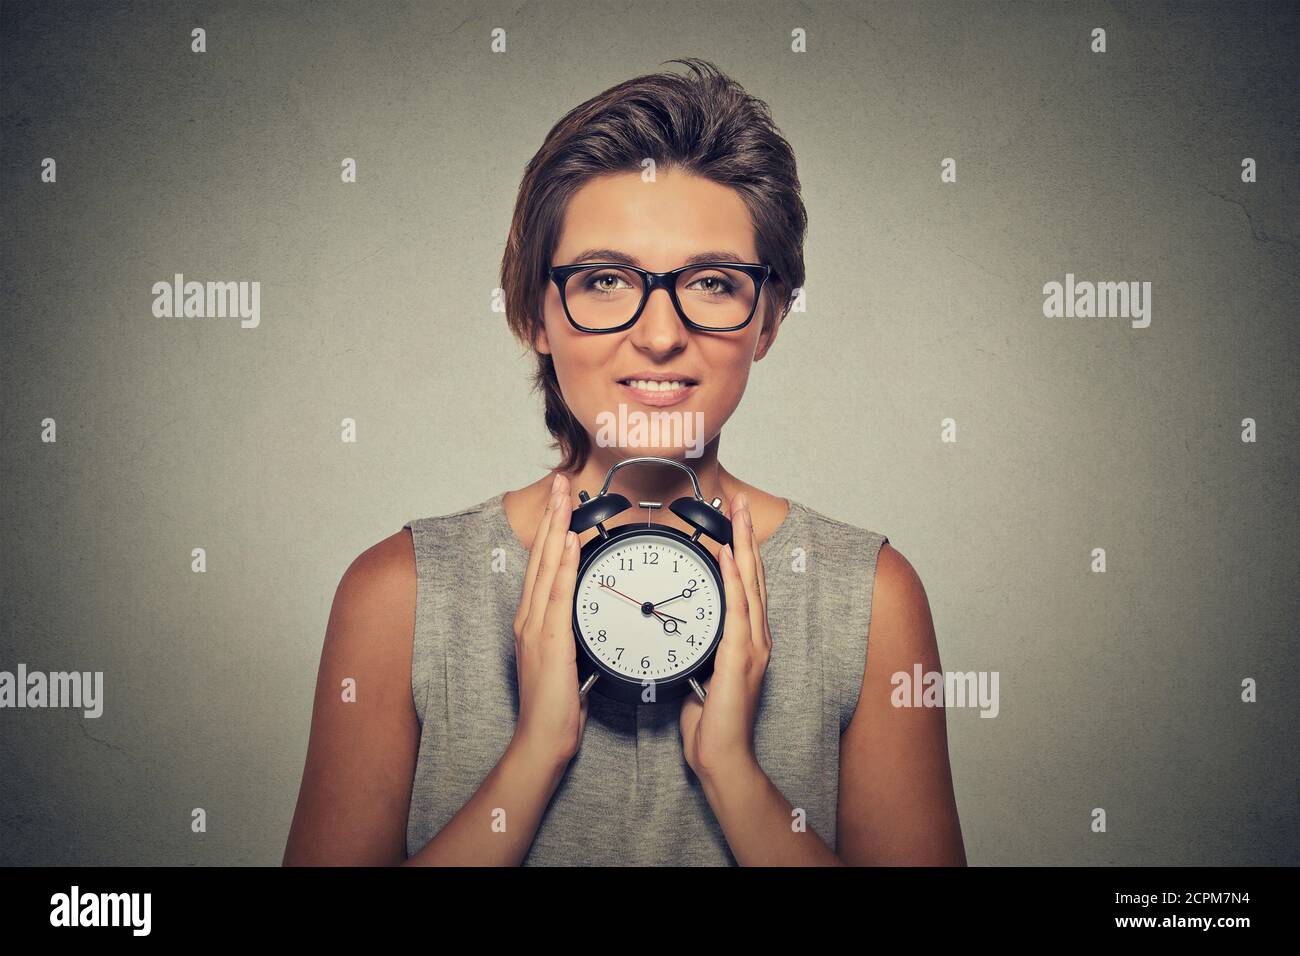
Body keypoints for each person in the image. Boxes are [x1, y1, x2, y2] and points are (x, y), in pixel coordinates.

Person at [283, 58, 965, 866]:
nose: (660, 333)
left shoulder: (868, 600)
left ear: (769, 319)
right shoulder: (398, 597)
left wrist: (734, 774)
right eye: (606, 280)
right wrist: (535, 753)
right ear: (535, 311)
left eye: (712, 282)